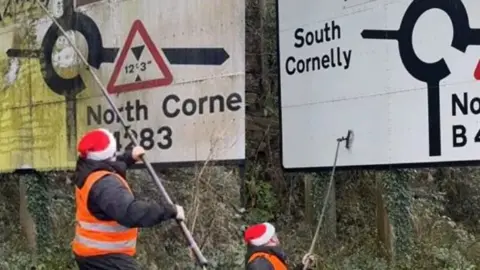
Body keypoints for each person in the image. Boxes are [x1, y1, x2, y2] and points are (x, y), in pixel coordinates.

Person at [72, 128, 185, 270]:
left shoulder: (87, 169)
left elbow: (109, 165)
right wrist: (169, 210)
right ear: (109, 154)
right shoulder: (105, 184)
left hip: (92, 254)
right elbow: (130, 213)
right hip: (106, 257)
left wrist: (129, 157)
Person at [244, 223, 314, 270]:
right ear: (270, 240)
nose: (277, 239)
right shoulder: (260, 264)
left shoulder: (268, 257)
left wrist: (302, 266)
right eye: (275, 236)